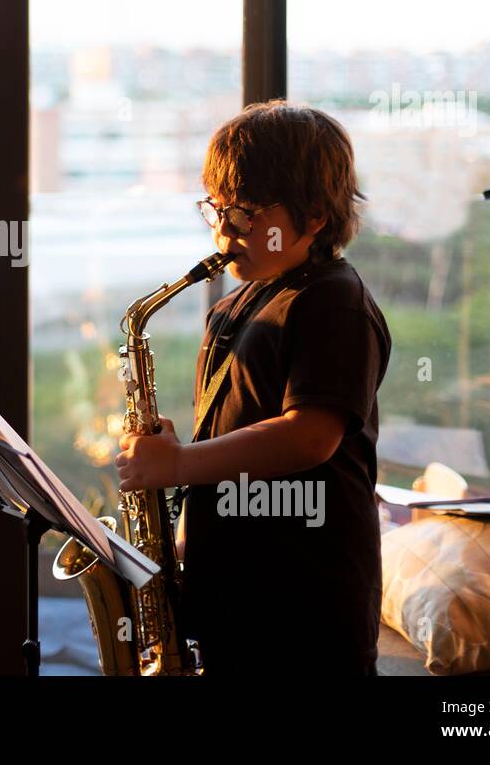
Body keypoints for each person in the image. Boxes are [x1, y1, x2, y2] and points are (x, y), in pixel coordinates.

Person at [115, 100, 392, 676]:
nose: (222, 231)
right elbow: (238, 432)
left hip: (306, 607)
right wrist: (178, 456)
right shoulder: (240, 301)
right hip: (239, 593)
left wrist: (178, 464)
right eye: (215, 209)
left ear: (314, 216)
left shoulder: (331, 302)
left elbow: (309, 436)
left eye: (243, 215)